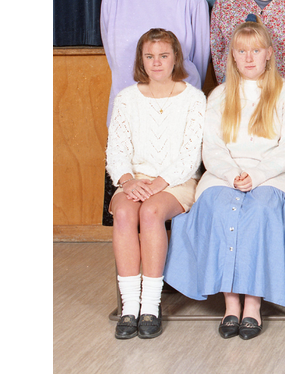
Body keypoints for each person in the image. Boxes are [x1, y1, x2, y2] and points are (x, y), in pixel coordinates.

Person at [164, 21, 285, 340]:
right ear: (233, 56)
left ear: (269, 53)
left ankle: (252, 304)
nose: (249, 58)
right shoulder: (220, 94)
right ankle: (230, 304)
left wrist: (256, 175)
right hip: (224, 173)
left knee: (260, 210)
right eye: (242, 51)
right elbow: (211, 146)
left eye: (256, 50)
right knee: (217, 206)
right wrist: (231, 174)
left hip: (275, 175)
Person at [106, 28, 206, 340]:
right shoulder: (126, 98)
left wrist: (158, 184)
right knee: (124, 213)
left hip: (177, 181)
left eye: (163, 56)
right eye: (149, 57)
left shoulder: (193, 98)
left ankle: (150, 305)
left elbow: (192, 154)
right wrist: (126, 180)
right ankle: (129, 307)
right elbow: (116, 149)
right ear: (141, 60)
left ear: (175, 57)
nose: (157, 62)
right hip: (135, 180)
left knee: (150, 213)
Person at [100, 0, 209, 125]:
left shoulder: (190, 0)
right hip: (128, 113)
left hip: (176, 115)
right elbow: (114, 58)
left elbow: (199, 64)